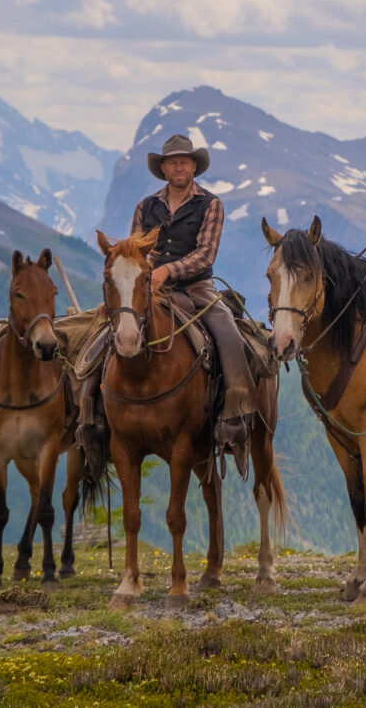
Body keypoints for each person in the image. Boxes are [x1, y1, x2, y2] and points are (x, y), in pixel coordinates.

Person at [80, 134, 259, 476]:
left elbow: (206, 253)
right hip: (146, 288)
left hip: (196, 287)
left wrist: (168, 269)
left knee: (228, 334)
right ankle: (92, 418)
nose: (179, 167)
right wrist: (139, 279)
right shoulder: (145, 206)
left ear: (194, 167)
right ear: (163, 169)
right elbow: (131, 251)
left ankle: (233, 416)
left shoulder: (211, 204)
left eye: (185, 161)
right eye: (173, 162)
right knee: (103, 337)